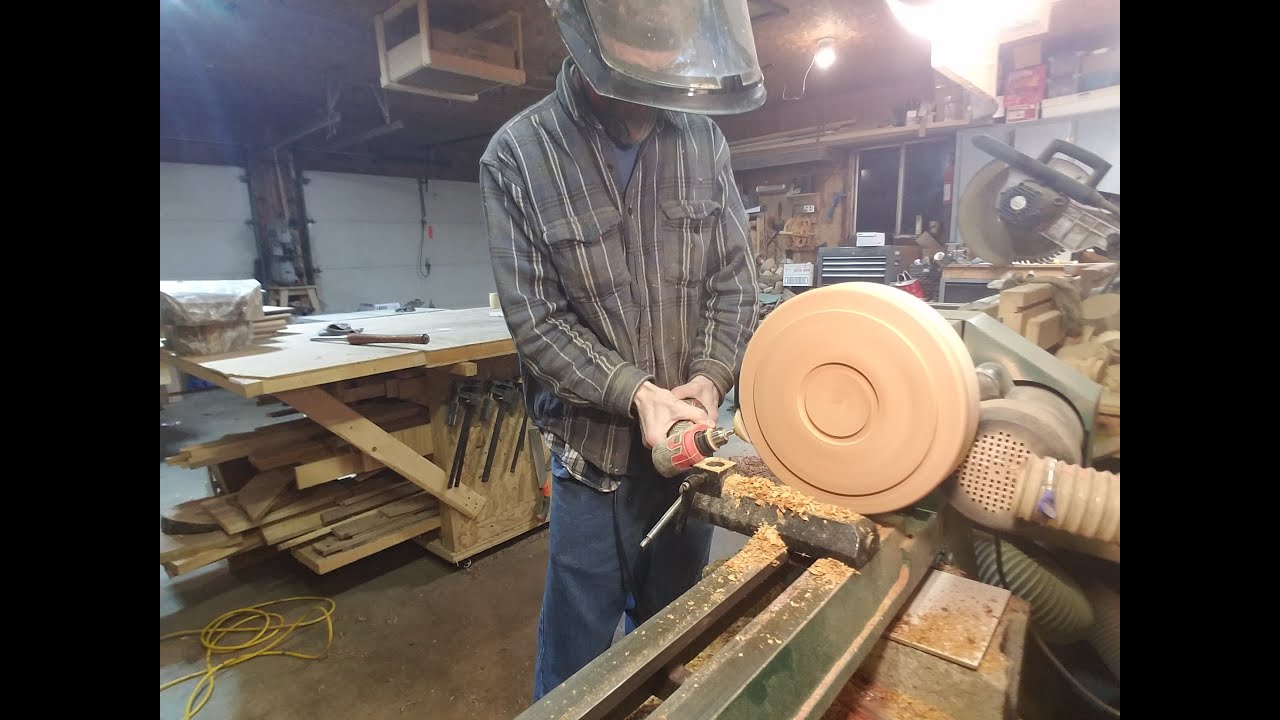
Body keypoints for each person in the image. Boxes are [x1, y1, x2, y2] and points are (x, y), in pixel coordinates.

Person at [479, 0, 767, 701]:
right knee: (577, 667)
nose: (647, 102)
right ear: (586, 41)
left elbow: (733, 282)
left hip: (686, 455)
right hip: (593, 465)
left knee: (674, 638)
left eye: (664, 75)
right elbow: (537, 323)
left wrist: (710, 378)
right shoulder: (519, 156)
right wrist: (637, 393)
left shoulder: (702, 141)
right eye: (631, 81)